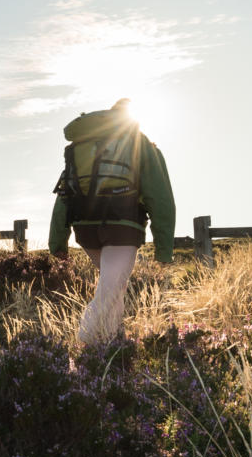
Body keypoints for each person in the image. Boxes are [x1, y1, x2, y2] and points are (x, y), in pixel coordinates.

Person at [48, 97, 174, 346]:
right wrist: (164, 249)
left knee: (114, 288)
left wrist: (58, 242)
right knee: (110, 291)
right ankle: (84, 343)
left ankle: (114, 346)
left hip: (85, 229)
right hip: (122, 227)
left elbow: (65, 194)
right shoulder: (140, 144)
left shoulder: (81, 147)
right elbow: (159, 197)